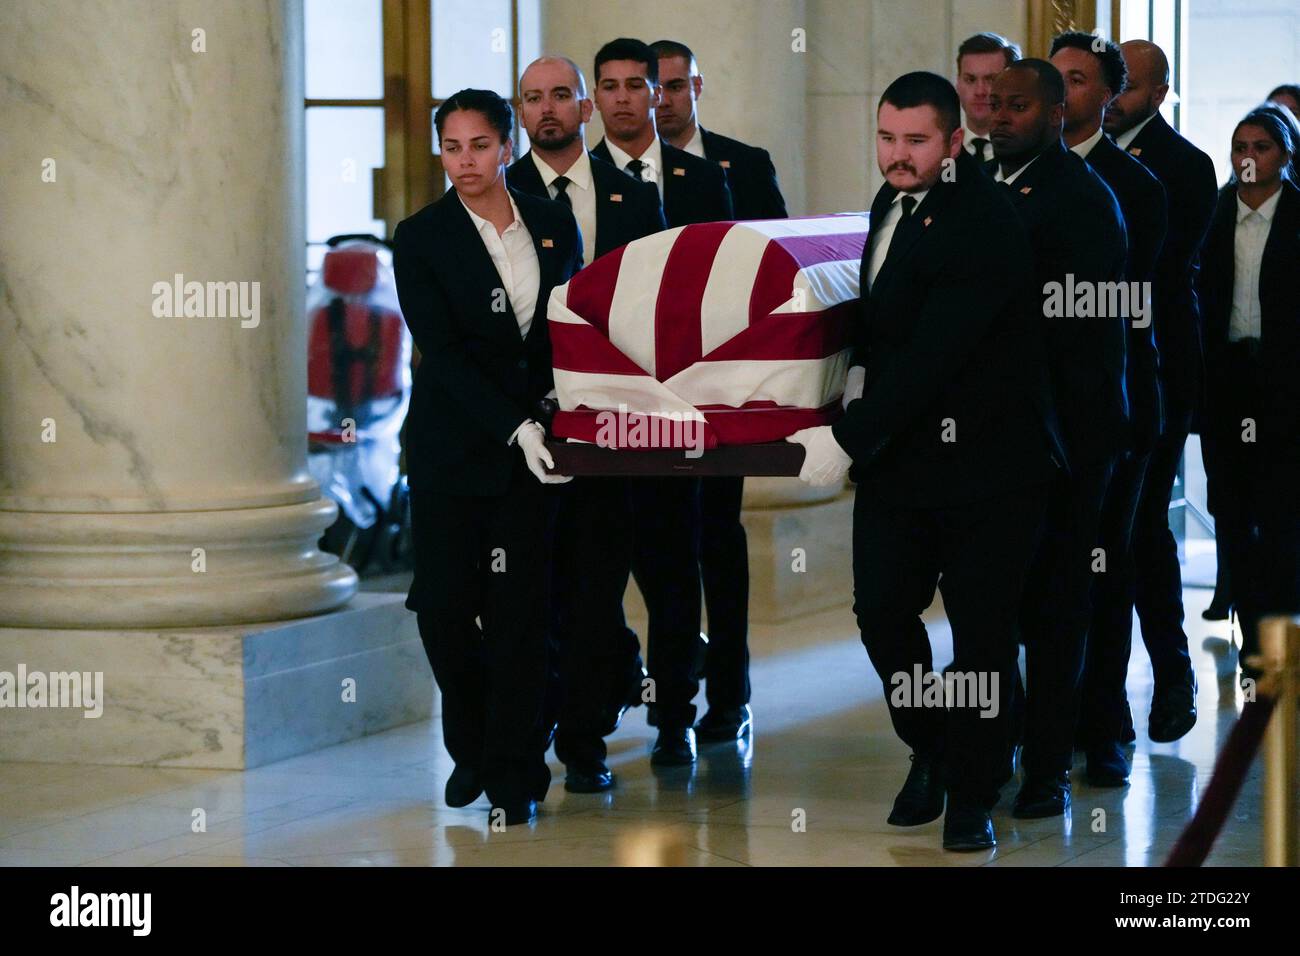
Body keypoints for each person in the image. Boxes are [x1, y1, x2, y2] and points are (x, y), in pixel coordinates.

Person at [786, 72, 1061, 851]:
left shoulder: (986, 218)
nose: (896, 157)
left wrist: (845, 437)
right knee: (880, 612)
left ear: (950, 141)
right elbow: (882, 337)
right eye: (886, 139)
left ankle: (972, 792)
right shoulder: (890, 204)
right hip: (904, 465)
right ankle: (934, 746)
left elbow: (937, 357)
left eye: (914, 142)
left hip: (989, 467)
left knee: (980, 638)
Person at [391, 89, 582, 826]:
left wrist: (558, 419)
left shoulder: (554, 222)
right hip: (450, 450)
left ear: (507, 146)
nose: (464, 161)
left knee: (520, 615)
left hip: (534, 457)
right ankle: (471, 742)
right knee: (441, 608)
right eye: (451, 147)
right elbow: (441, 354)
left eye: (478, 145)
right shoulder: (421, 236)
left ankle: (514, 771)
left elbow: (566, 330)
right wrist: (514, 426)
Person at [507, 55, 667, 793]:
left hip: (611, 424)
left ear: (586, 107)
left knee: (597, 587)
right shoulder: (496, 194)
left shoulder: (635, 197)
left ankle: (585, 742)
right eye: (532, 99)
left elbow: (654, 307)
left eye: (560, 96)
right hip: (524, 427)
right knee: (530, 591)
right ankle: (528, 735)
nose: (547, 110)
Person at [588, 37, 734, 766]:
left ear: (658, 93)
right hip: (596, 413)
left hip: (679, 412)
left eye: (634, 85)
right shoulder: (571, 183)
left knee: (675, 572)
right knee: (595, 571)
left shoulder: (703, 181)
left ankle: (675, 716)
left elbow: (724, 291)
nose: (622, 98)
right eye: (607, 85)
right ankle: (607, 693)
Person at [989, 59, 1128, 819]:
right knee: (997, 609)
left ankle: (1048, 768)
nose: (999, 116)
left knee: (1055, 610)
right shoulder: (977, 187)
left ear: (1054, 113)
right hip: (999, 444)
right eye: (992, 102)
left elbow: (1075, 339)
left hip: (1065, 441)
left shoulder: (1081, 196)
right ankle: (1001, 747)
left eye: (1018, 106)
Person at [650, 37, 791, 744]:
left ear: (696, 86)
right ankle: (670, 692)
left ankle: (728, 695)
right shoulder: (615, 174)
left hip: (722, 389)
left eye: (676, 86)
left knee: (716, 540)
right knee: (659, 548)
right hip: (642, 395)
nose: (664, 100)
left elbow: (779, 267)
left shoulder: (741, 165)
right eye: (655, 88)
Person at [1049, 31, 1168, 787]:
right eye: (1055, 79)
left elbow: (1132, 308)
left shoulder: (1138, 186)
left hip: (1110, 409)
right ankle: (1042, 726)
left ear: (1110, 94)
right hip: (1033, 415)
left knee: (1104, 568)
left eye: (1081, 80)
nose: (1066, 94)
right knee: (1042, 579)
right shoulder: (1009, 181)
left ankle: (1105, 724)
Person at [1105, 40, 1217, 732]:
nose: (1114, 98)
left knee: (1144, 531)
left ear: (1159, 91)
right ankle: (1094, 702)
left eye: (1127, 86)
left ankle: (1173, 680)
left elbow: (1158, 271)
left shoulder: (1183, 166)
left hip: (1155, 373)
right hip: (1086, 381)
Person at [1198, 107, 1300, 680]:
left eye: (1261, 146)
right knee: (1232, 511)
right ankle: (1253, 643)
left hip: (1286, 384)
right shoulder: (1214, 214)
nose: (1248, 156)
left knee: (1283, 515)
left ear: (1285, 156)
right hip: (1229, 380)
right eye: (1240, 145)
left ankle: (1280, 639)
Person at [954, 32, 1022, 164]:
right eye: (970, 79)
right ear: (958, 83)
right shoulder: (941, 152)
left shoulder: (1031, 151)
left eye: (991, 80)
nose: (980, 91)